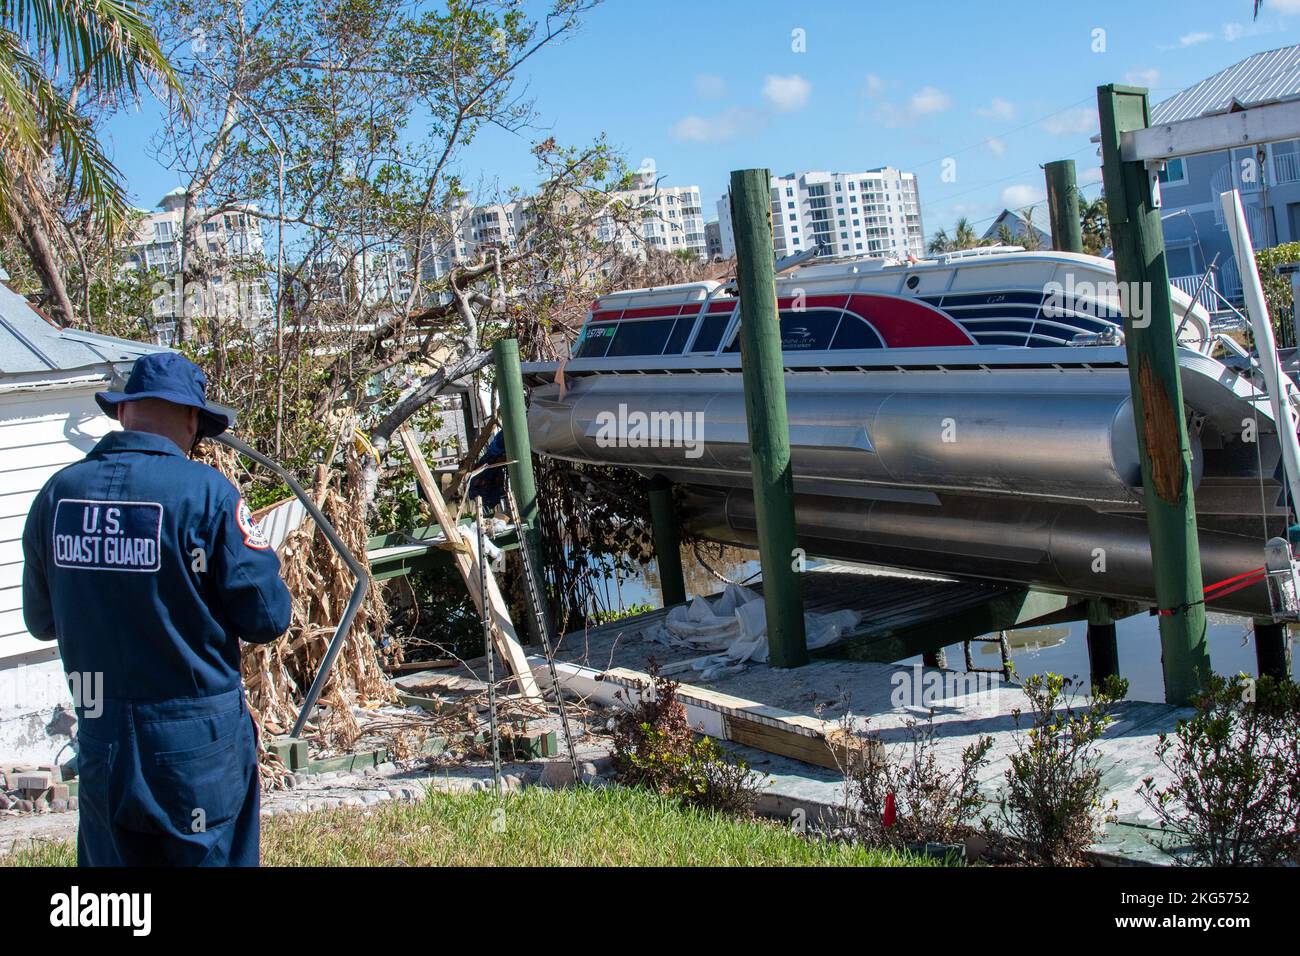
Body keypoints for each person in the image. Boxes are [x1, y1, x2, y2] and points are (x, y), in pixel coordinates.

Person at [21, 351, 292, 866]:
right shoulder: (208, 496)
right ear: (192, 419)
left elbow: (40, 622)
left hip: (102, 737)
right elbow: (268, 617)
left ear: (123, 413)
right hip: (196, 743)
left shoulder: (58, 496)